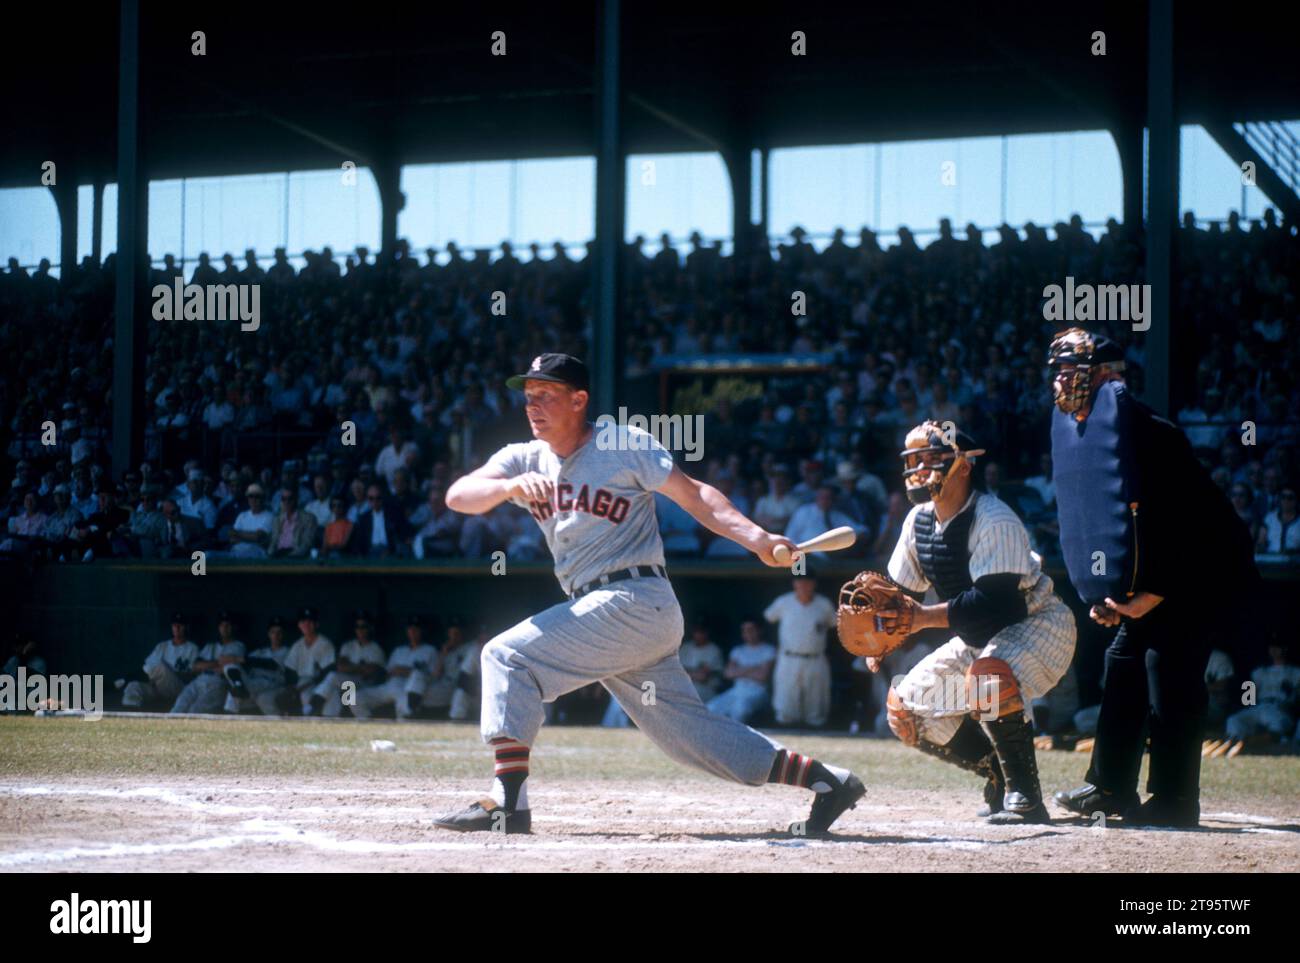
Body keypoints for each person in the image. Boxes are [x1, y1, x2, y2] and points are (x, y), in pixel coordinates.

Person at [433, 353, 864, 836]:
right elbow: (459, 496)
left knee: (506, 655)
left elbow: (695, 495)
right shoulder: (523, 458)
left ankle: (507, 803)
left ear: (579, 400)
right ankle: (829, 782)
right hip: (605, 616)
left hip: (634, 599)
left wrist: (758, 539)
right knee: (689, 736)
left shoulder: (621, 443)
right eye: (529, 396)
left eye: (546, 395)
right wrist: (507, 487)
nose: (533, 406)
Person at [1047, 328, 1260, 827]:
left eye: (1073, 371)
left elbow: (1191, 527)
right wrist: (1108, 594)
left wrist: (1154, 594)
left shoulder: (1153, 433)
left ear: (1108, 376)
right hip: (1152, 579)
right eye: (1057, 371)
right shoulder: (1089, 437)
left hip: (1201, 571)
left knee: (1171, 674)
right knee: (1121, 664)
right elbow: (1101, 522)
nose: (1062, 381)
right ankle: (1108, 788)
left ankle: (1174, 799)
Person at [867, 420, 1076, 823]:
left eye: (932, 460)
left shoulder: (995, 517)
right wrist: (881, 638)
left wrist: (922, 619)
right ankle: (997, 773)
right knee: (907, 708)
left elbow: (994, 604)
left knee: (988, 678)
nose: (920, 470)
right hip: (978, 639)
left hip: (1037, 625)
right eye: (915, 461)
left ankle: (1026, 797)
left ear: (963, 466)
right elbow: (903, 595)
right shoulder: (917, 521)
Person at [764, 573, 835, 727]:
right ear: (794, 583)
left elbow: (834, 625)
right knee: (785, 705)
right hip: (788, 658)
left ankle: (817, 739)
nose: (803, 585)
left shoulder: (824, 604)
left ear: (814, 584)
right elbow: (769, 618)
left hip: (816, 658)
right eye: (800, 581)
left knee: (816, 706)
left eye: (807, 581)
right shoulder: (783, 602)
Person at [353, 616, 439, 719]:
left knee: (404, 708)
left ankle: (403, 729)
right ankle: (367, 726)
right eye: (410, 628)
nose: (412, 631)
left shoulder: (430, 650)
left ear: (422, 630)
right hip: (390, 685)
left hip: (408, 687)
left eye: (416, 629)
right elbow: (387, 673)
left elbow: (432, 676)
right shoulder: (399, 650)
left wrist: (406, 671)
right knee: (355, 698)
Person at [307, 610, 385, 716]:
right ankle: (330, 719)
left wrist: (351, 666)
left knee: (334, 677)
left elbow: (371, 672)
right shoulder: (348, 646)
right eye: (358, 626)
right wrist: (360, 667)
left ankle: (312, 706)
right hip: (347, 682)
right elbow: (340, 667)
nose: (360, 630)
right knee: (335, 687)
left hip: (365, 685)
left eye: (364, 626)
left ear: (370, 628)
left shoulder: (376, 649)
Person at [120, 613, 200, 710]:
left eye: (180, 625)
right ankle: (131, 713)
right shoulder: (162, 646)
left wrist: (170, 673)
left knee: (161, 667)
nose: (177, 628)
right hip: (157, 687)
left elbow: (192, 675)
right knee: (133, 686)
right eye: (175, 625)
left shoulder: (192, 648)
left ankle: (124, 679)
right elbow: (148, 667)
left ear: (186, 627)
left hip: (179, 687)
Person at [171, 611, 245, 714]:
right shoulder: (210, 645)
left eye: (228, 625)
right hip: (199, 681)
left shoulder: (238, 646)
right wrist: (218, 662)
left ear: (233, 627)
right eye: (222, 625)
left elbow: (230, 667)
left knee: (194, 711)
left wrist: (207, 665)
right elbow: (195, 665)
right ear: (218, 628)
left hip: (218, 684)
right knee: (179, 706)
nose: (225, 628)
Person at [706, 620, 777, 724]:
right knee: (710, 708)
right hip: (736, 691)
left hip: (758, 692)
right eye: (744, 630)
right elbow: (728, 674)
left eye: (751, 630)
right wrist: (754, 668)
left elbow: (762, 676)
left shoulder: (769, 650)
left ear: (759, 630)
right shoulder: (738, 651)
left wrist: (739, 670)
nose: (747, 633)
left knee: (740, 710)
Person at [222, 616, 293, 715]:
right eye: (273, 632)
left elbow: (270, 664)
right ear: (269, 634)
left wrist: (237, 658)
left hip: (272, 683)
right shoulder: (261, 651)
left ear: (283, 634)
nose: (276, 635)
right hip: (254, 685)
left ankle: (239, 688)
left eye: (279, 632)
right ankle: (238, 687)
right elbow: (243, 663)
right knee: (230, 669)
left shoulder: (287, 651)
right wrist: (230, 661)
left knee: (241, 692)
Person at [283, 608, 336, 714]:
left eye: (310, 621)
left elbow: (328, 672)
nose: (306, 624)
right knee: (302, 695)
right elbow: (289, 670)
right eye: (303, 621)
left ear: (316, 624)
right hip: (303, 682)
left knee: (325, 704)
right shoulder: (297, 645)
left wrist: (302, 687)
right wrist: (292, 688)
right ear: (299, 625)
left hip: (322, 683)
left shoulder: (325, 644)